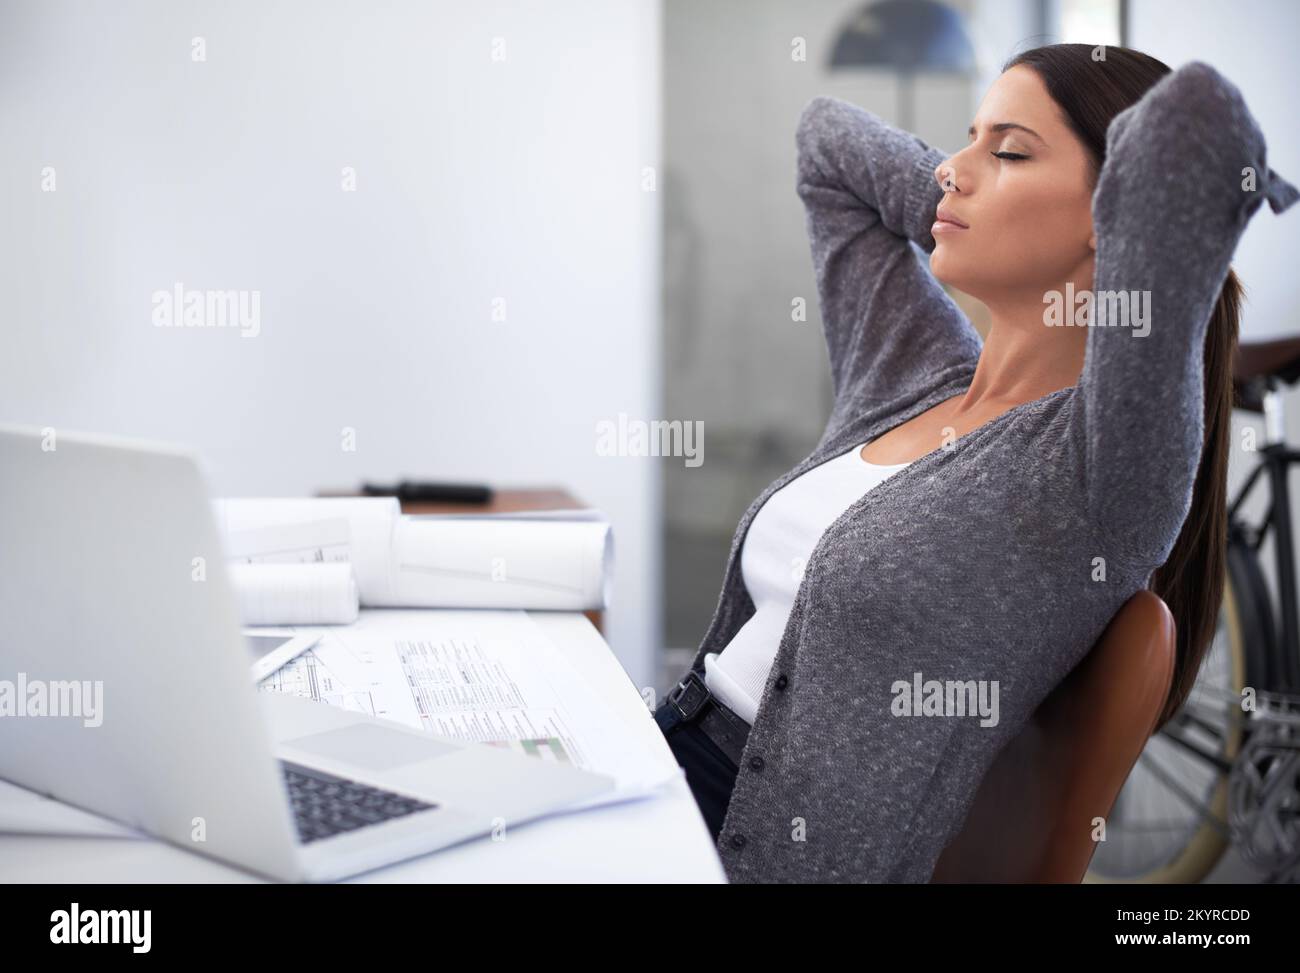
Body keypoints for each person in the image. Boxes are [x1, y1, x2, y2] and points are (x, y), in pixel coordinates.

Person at [654, 43, 1298, 883]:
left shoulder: (1099, 475)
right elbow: (828, 144)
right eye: (968, 139)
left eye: (1010, 151)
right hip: (659, 765)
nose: (954, 168)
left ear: (1118, 212)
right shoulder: (914, 372)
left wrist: (1117, 219)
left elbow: (1197, 122)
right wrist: (966, 189)